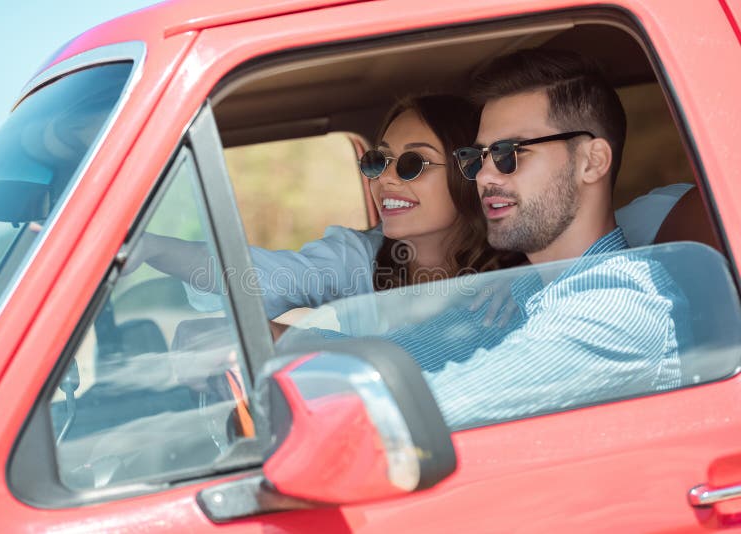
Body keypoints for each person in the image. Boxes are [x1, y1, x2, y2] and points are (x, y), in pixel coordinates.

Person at [282, 49, 687, 429]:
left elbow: (412, 411)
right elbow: (396, 356)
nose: (485, 175)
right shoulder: (520, 291)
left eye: (511, 153)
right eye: (477, 158)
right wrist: (267, 349)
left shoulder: (617, 310)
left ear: (591, 161)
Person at [126, 95, 520, 332]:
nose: (385, 179)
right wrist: (154, 248)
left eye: (412, 164)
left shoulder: (520, 261)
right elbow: (261, 277)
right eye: (377, 160)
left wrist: (516, 283)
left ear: (468, 172)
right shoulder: (359, 256)